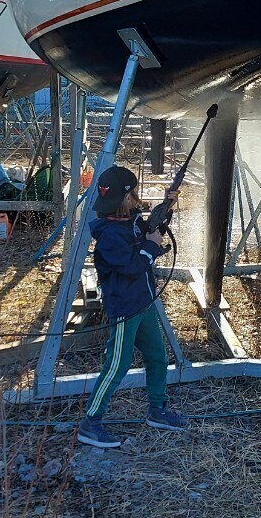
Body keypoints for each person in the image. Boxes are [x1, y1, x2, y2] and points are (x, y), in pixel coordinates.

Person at [77, 165, 187, 448]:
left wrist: (167, 205)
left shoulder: (130, 221)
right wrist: (150, 247)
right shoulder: (110, 235)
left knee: (157, 357)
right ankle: (91, 423)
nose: (137, 197)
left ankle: (157, 410)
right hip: (126, 309)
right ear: (123, 198)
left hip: (144, 303)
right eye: (133, 193)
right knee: (117, 365)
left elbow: (150, 228)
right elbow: (132, 265)